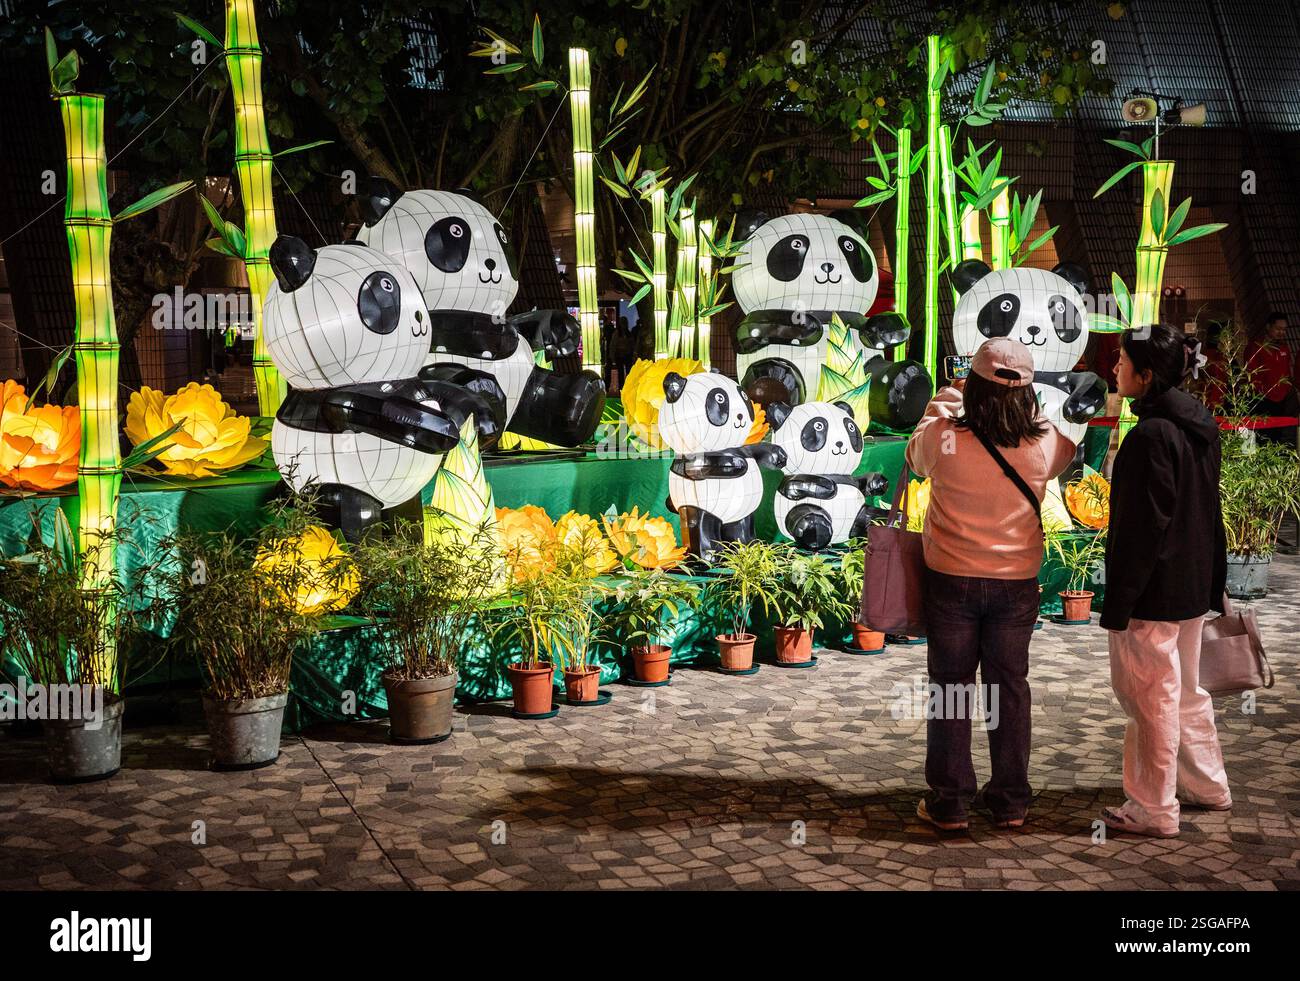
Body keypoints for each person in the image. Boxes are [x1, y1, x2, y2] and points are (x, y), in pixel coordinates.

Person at [906, 338, 1077, 832]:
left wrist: (945, 399)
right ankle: (1009, 802)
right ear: (1029, 393)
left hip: (952, 581)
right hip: (1016, 584)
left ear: (973, 385)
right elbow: (1062, 454)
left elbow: (916, 461)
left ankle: (951, 801)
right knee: (1009, 689)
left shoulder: (944, 435)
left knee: (951, 687)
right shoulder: (1044, 438)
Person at [1100, 323, 1231, 838]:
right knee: (1187, 692)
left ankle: (1153, 807)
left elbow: (1141, 529)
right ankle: (1207, 785)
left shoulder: (1151, 435)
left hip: (1154, 591)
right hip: (1192, 583)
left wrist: (1120, 600)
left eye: (1121, 361)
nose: (1114, 369)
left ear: (1146, 374)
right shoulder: (1199, 425)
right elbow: (1207, 508)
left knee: (1149, 698)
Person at [1244, 312, 1296, 445]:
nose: (1281, 332)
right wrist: (1261, 392)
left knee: (1277, 438)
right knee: (1262, 438)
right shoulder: (1256, 347)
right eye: (1278, 329)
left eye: (1284, 329)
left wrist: (1287, 389)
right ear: (1268, 327)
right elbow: (1251, 375)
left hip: (1281, 401)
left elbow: (1286, 373)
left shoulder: (1284, 348)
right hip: (1262, 401)